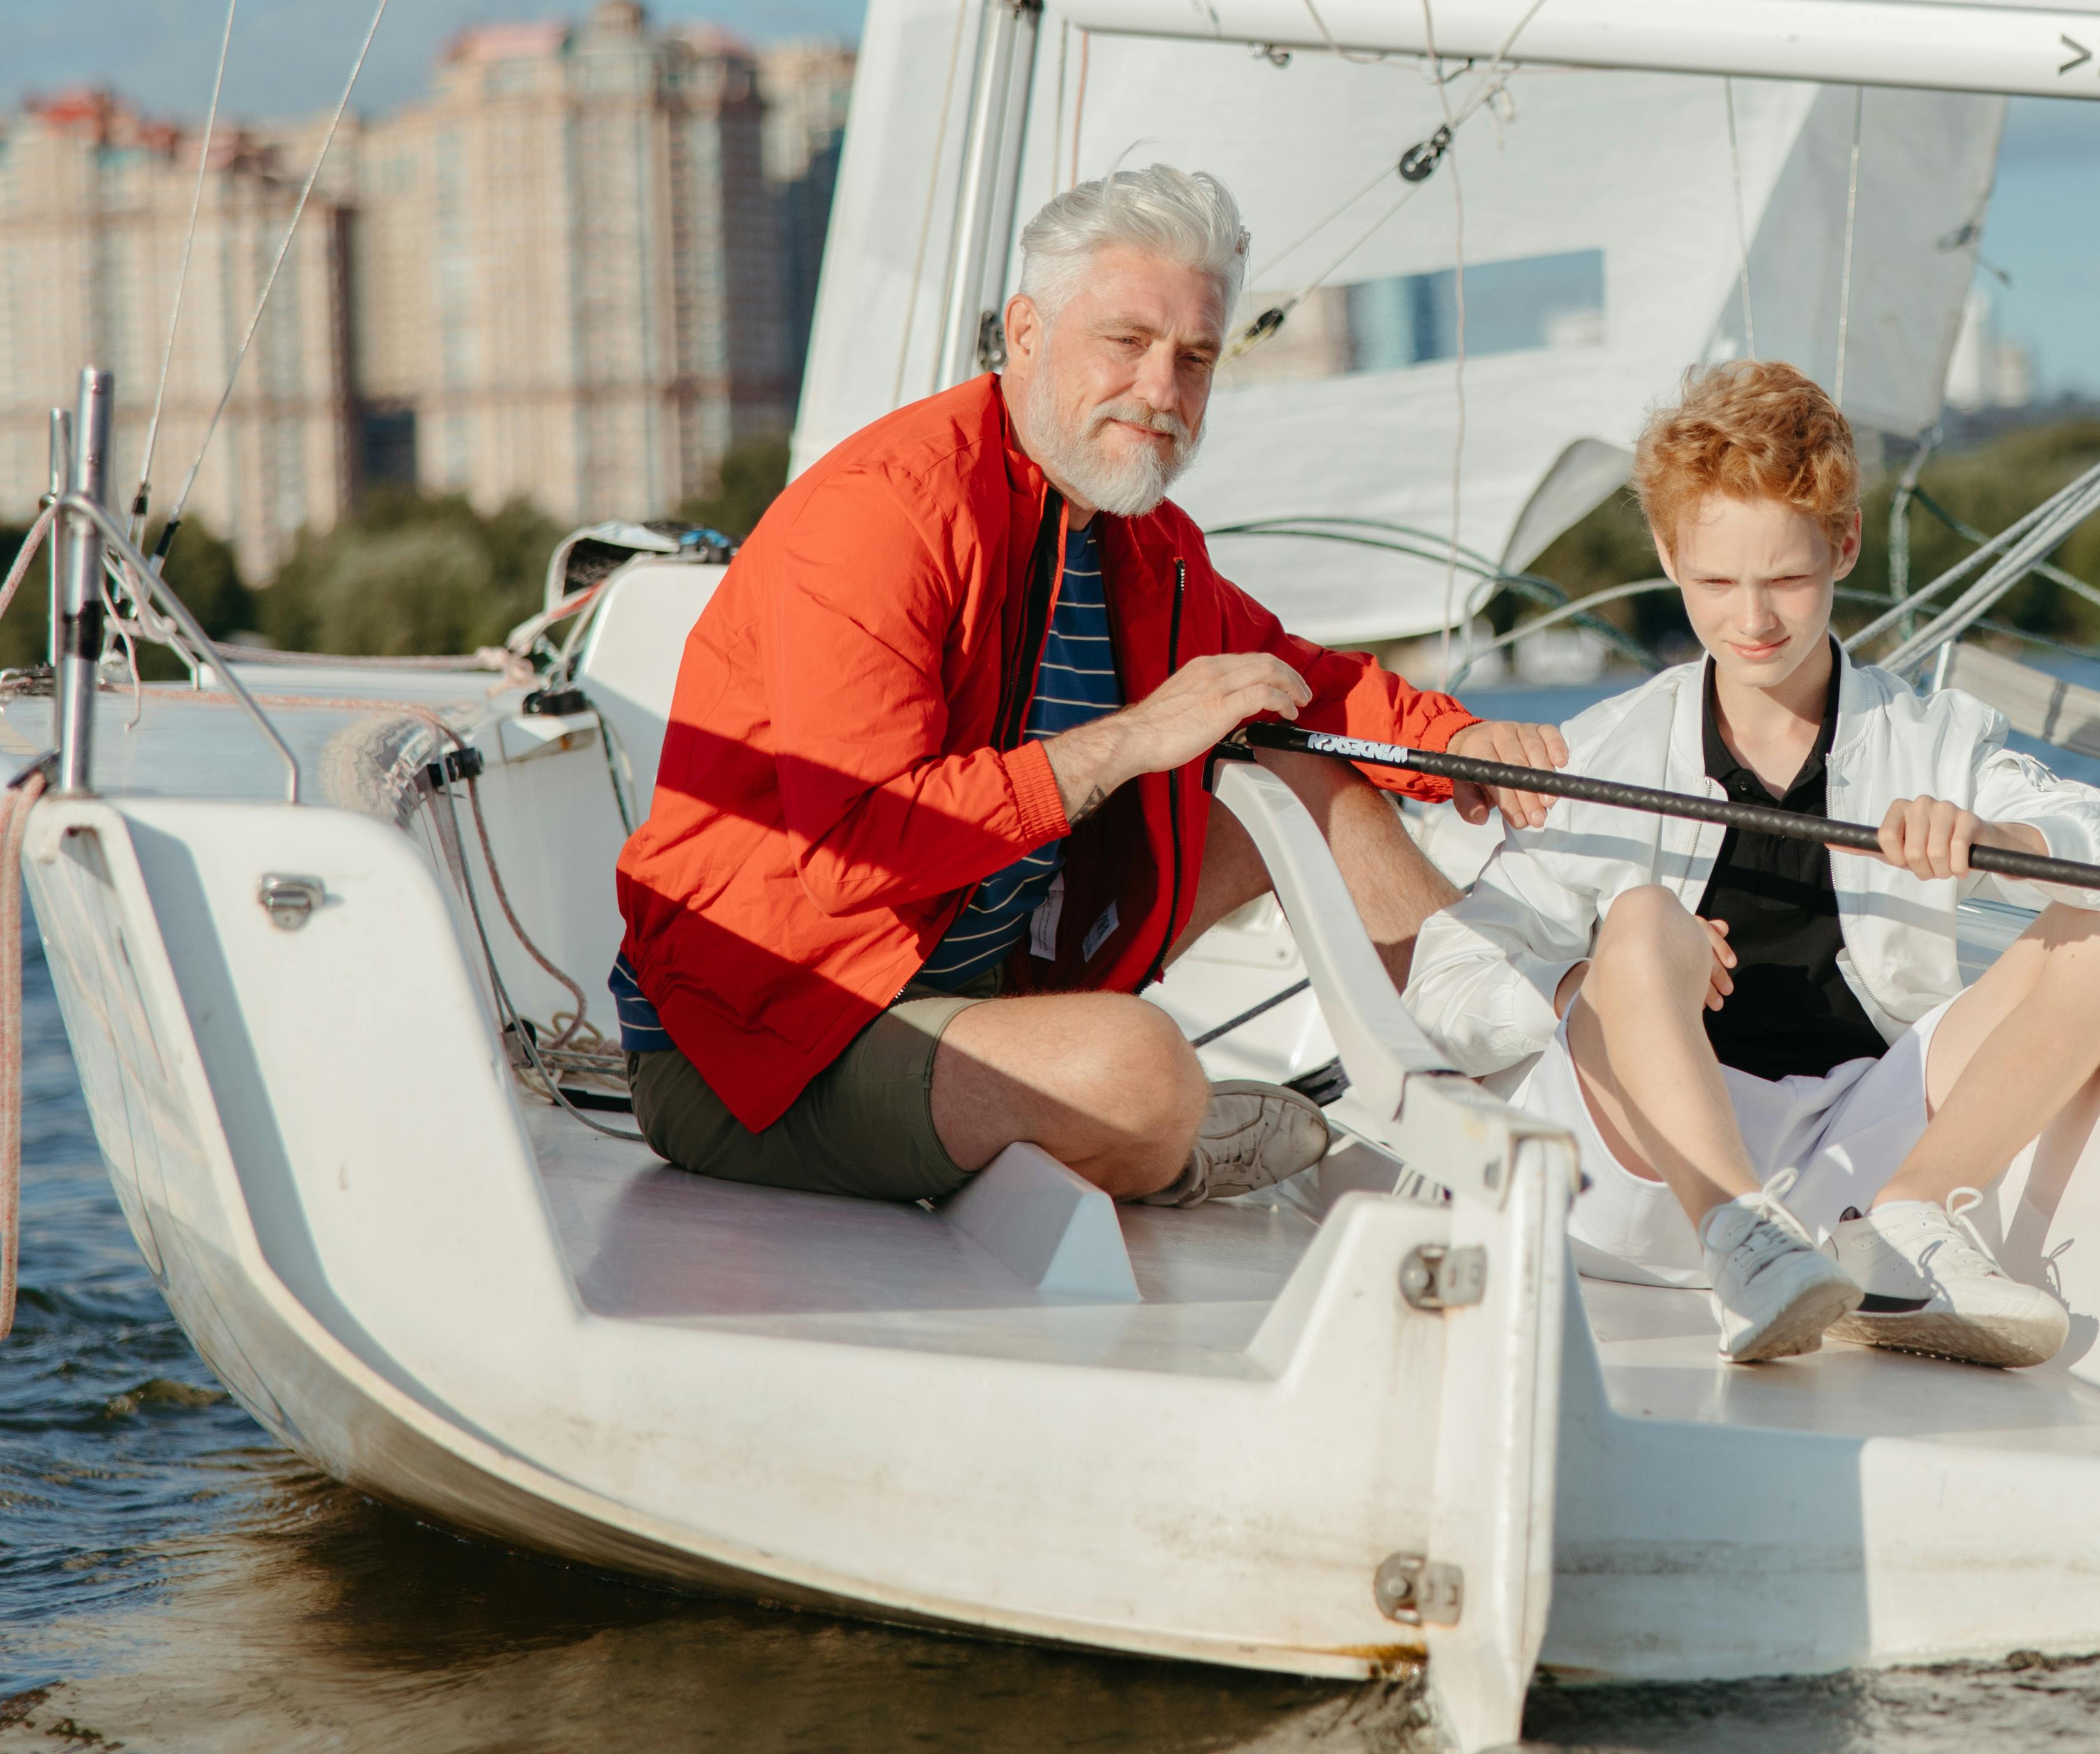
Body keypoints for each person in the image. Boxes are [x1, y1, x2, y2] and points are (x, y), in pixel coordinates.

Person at [611, 165, 1564, 1210]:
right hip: (768, 1044)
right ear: (1025, 332)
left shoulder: (1140, 541)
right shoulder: (883, 516)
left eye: (1195, 356)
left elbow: (1307, 686)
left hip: (976, 982)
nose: (1163, 389)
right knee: (1142, 1072)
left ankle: (1503, 1092)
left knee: (1313, 770)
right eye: (1127, 342)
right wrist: (1131, 740)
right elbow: (851, 851)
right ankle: (1171, 1146)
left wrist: (1461, 741)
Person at [1407, 362, 2100, 1367]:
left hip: (1849, 1154)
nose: (1753, 621)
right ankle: (1738, 1238)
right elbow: (1442, 981)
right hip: (1641, 1180)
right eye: (1715, 583)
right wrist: (1598, 978)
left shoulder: (1932, 739)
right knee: (1643, 920)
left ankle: (1911, 1226)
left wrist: (2010, 848)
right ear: (1666, 555)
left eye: (1786, 578)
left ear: (1845, 543)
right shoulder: (1606, 750)